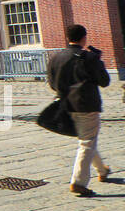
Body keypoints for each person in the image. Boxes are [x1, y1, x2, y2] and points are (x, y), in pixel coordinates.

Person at [47, 24, 114, 197]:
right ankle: (78, 182)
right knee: (87, 142)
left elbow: (52, 83)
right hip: (86, 105)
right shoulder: (89, 57)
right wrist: (99, 63)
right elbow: (104, 81)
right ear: (84, 38)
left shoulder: (56, 57)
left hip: (66, 105)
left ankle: (102, 170)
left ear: (67, 38)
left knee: (87, 139)